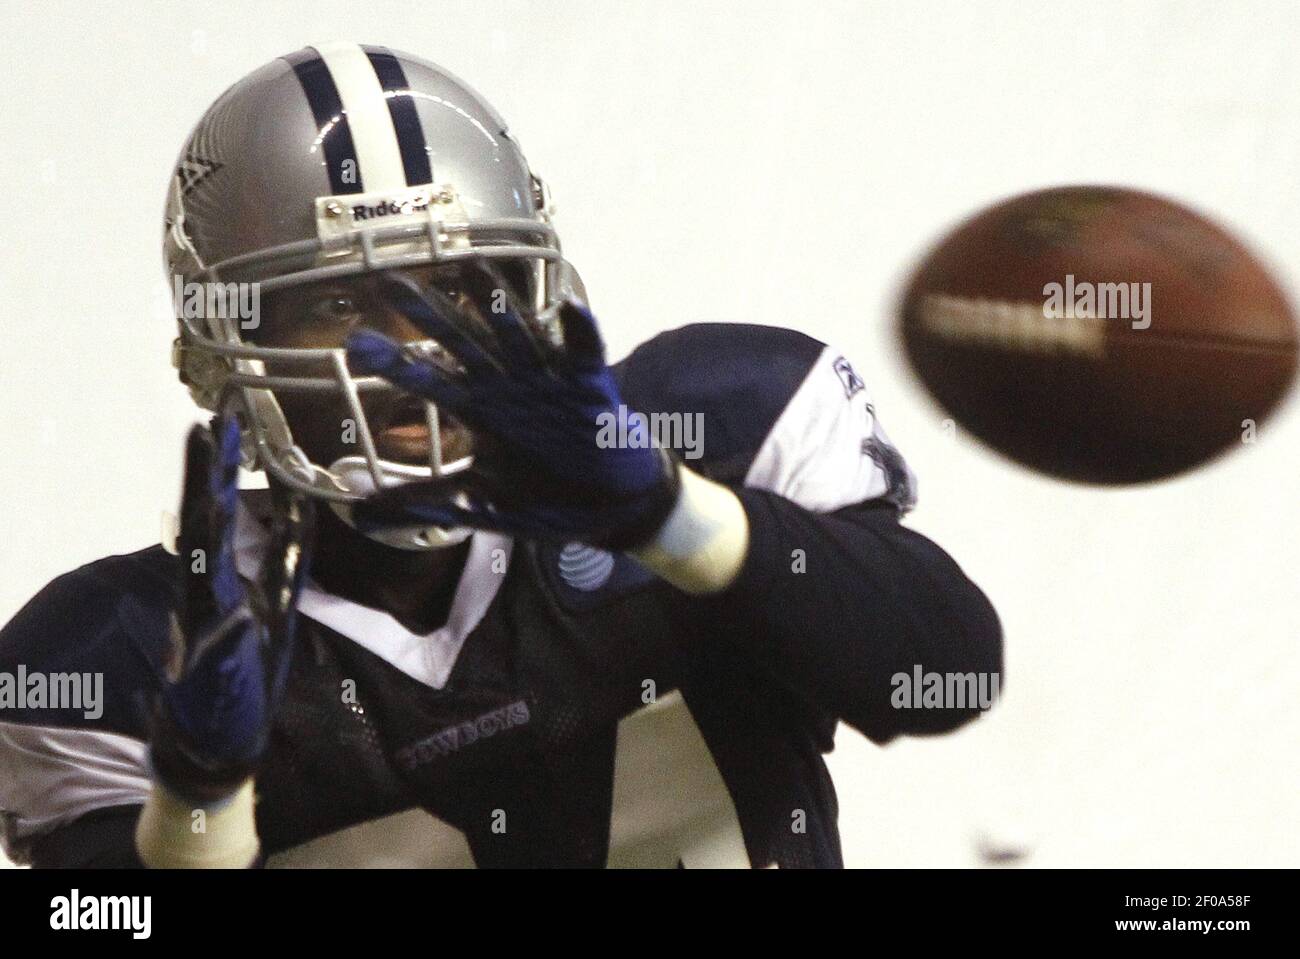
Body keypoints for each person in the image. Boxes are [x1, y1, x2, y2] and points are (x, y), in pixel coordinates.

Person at [0, 43, 1002, 868]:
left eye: (458, 285)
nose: (414, 345)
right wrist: (197, 807)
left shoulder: (716, 429)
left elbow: (945, 664)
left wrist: (674, 516)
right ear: (221, 343)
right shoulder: (125, 647)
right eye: (338, 303)